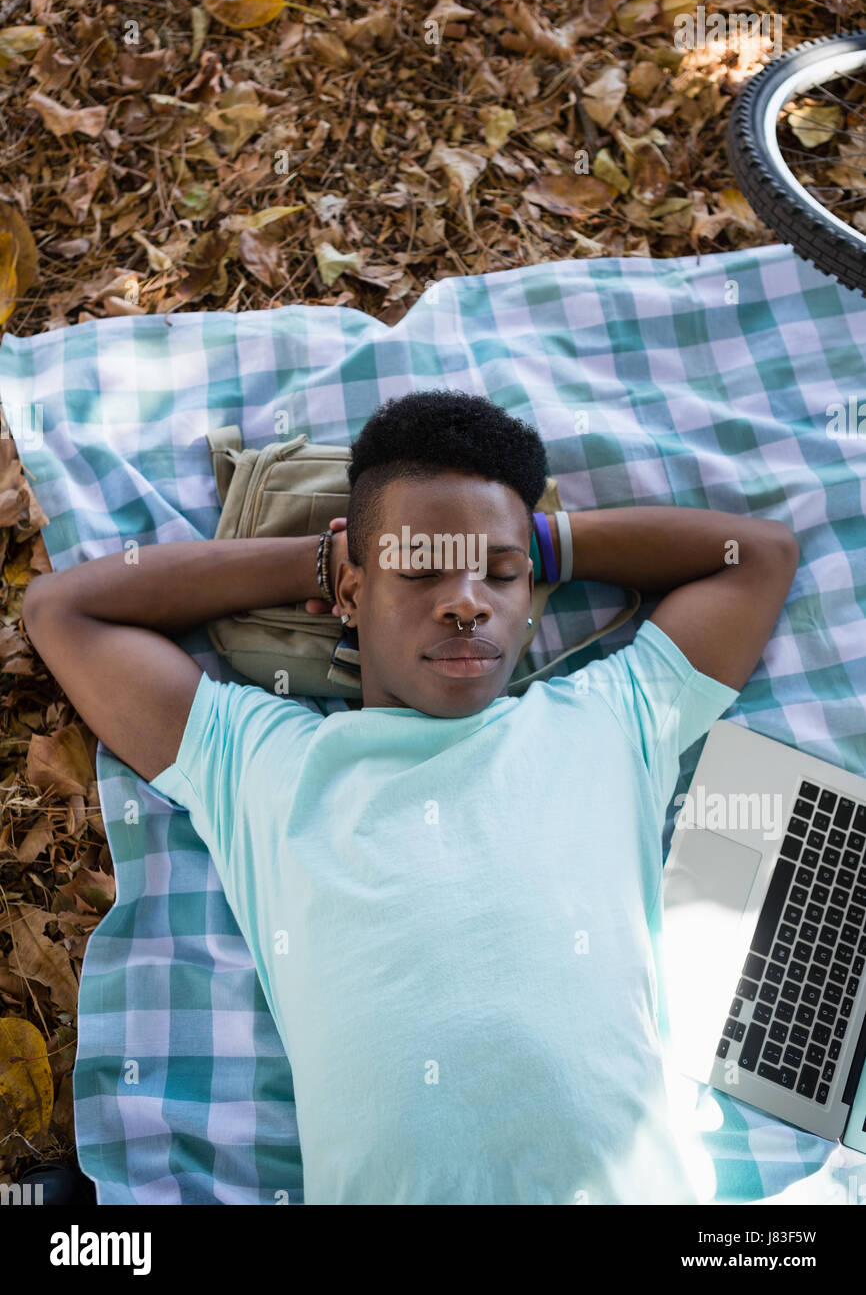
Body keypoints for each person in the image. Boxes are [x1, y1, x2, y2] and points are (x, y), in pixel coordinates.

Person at [22, 389, 799, 1205]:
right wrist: (320, 563)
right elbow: (62, 609)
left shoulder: (610, 718)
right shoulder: (259, 760)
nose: (467, 600)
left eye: (499, 575)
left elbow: (759, 556)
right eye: (422, 569)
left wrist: (547, 544)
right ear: (353, 596)